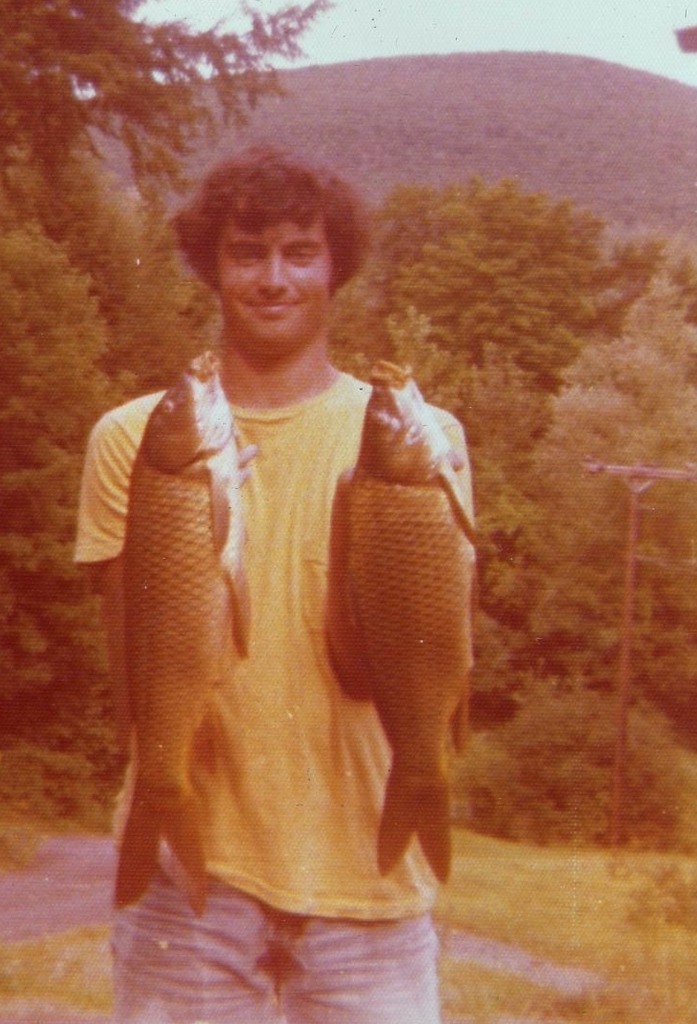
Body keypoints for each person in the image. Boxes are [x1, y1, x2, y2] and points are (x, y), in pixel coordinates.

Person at [75, 147, 473, 1024]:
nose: (273, 278)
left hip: (368, 868)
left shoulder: (420, 439)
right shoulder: (130, 438)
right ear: (212, 268)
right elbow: (130, 663)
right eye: (246, 252)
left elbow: (437, 646)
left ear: (336, 268)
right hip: (192, 881)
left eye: (300, 252)